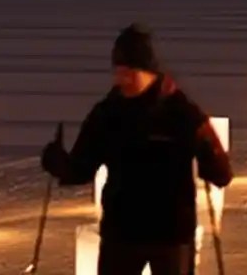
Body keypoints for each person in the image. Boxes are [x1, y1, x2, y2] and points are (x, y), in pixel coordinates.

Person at [41, 25, 233, 275]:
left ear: (149, 72)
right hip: (122, 232)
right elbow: (82, 167)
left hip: (170, 234)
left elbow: (221, 171)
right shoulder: (107, 113)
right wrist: (58, 163)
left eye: (130, 73)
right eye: (119, 73)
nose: (122, 80)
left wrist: (212, 161)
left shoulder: (180, 111)